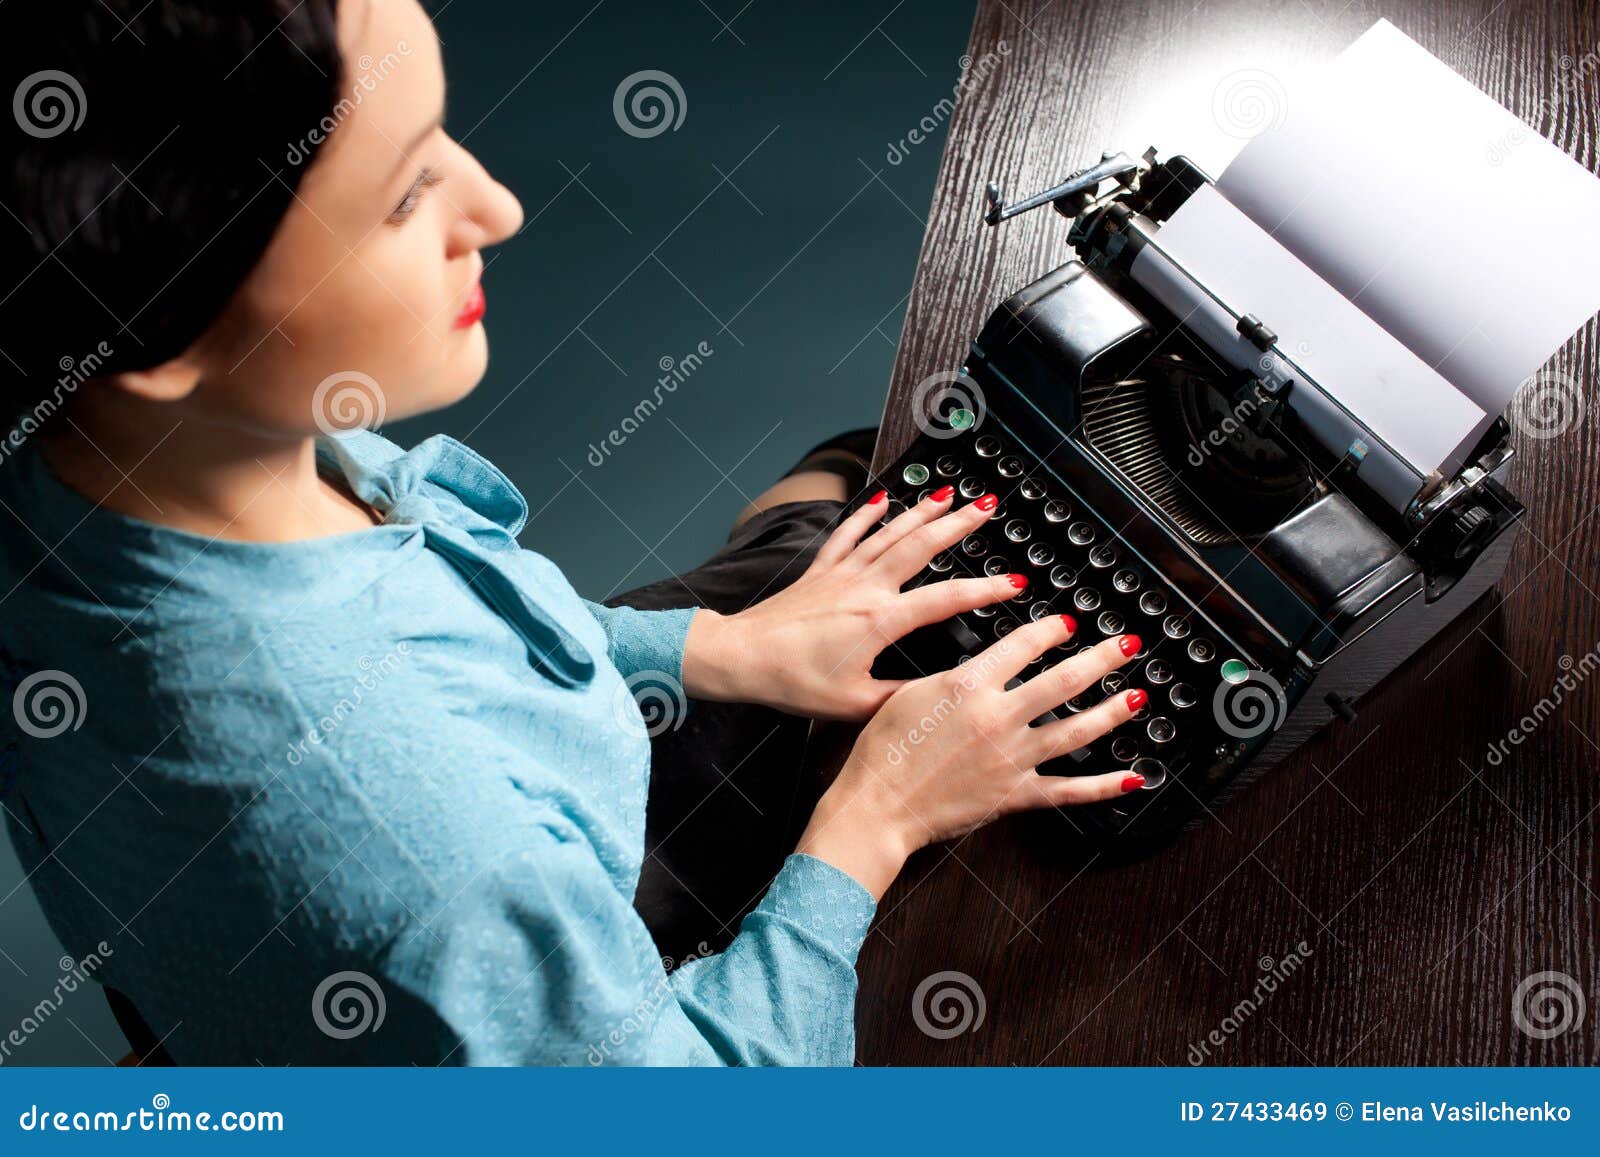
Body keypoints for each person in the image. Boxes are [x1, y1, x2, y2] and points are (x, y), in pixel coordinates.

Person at [0, 0, 1146, 1065]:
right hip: (575, 1005)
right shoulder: (417, 855)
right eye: (403, 196)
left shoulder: (109, 455)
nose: (496, 205)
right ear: (171, 337)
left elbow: (431, 596)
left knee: (841, 511)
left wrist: (719, 648)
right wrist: (874, 816)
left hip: (487, 861)